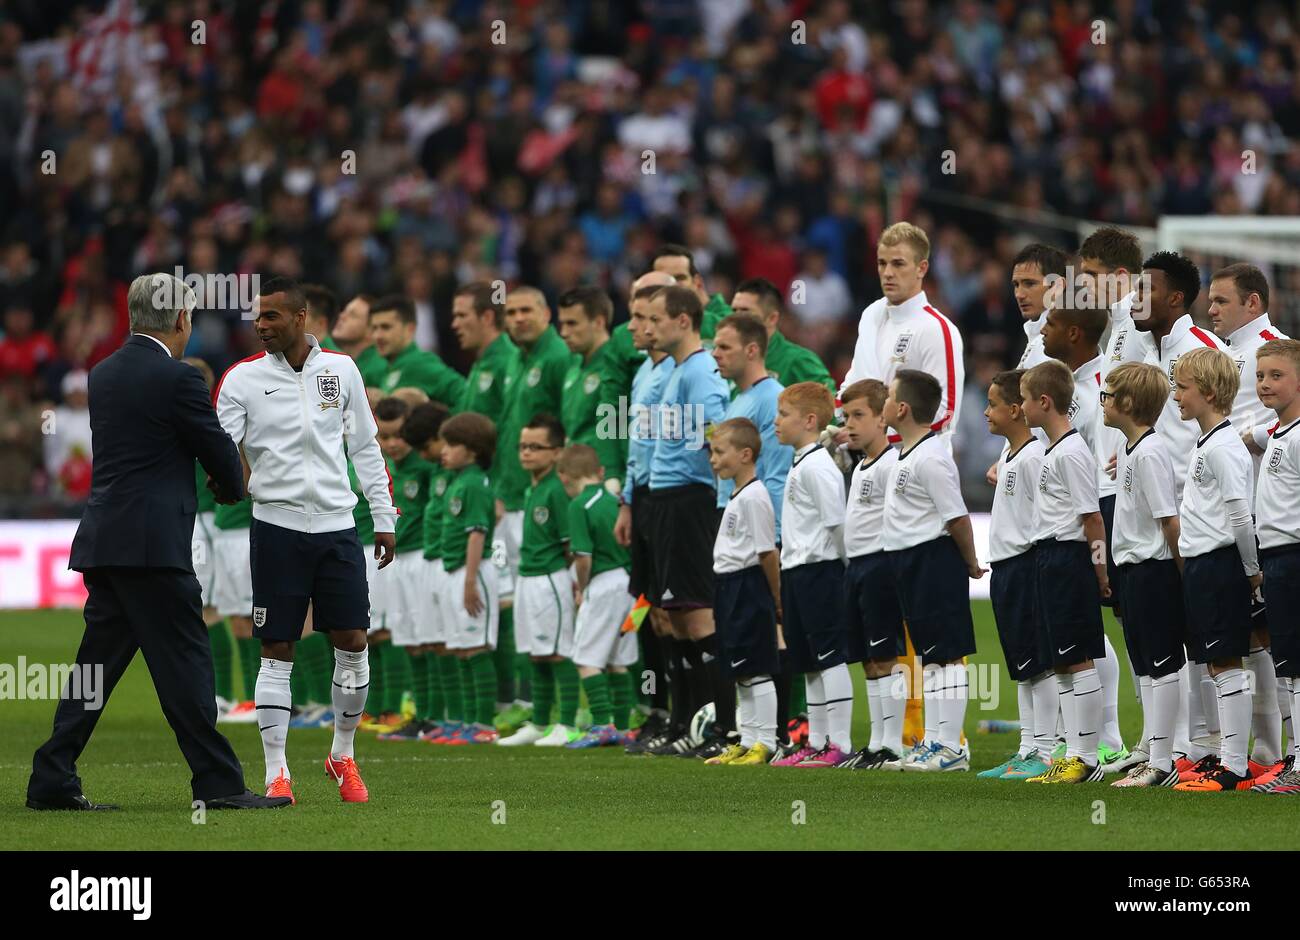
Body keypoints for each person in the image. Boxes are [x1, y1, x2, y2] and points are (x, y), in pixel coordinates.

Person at [27, 272, 288, 812]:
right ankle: (218, 783)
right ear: (181, 319)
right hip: (153, 547)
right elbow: (215, 448)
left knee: (95, 669)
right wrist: (230, 486)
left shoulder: (102, 373)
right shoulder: (179, 379)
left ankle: (52, 776)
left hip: (107, 541)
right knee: (186, 662)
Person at [215, 275, 397, 804]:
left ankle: (343, 755)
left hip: (339, 526)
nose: (260, 325)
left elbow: (365, 446)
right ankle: (277, 772)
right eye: (257, 316)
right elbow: (220, 446)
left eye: (271, 316)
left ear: (301, 318)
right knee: (277, 647)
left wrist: (382, 515)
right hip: (277, 527)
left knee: (353, 640)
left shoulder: (342, 369)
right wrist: (223, 479)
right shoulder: (242, 379)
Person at [1131, 251, 1227, 772]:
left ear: (1175, 298)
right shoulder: (1144, 348)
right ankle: (1174, 743)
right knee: (1163, 635)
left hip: (1195, 517)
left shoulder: (1205, 350)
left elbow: (1225, 430)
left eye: (1146, 290)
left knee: (1205, 637)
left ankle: (1217, 746)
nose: (1135, 300)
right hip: (1149, 512)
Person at [1038, 294, 1129, 771]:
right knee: (1079, 631)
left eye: (1051, 322)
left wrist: (1096, 545)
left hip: (1095, 515)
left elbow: (1095, 473)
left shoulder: (1097, 391)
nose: (1042, 329)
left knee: (1100, 626)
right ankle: (1080, 738)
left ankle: (1107, 738)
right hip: (1063, 524)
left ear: (1073, 332)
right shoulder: (1060, 383)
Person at [642, 285, 732, 758]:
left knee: (698, 615)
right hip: (666, 499)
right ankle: (686, 722)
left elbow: (718, 435)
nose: (648, 328)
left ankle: (721, 726)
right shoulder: (677, 369)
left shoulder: (700, 371)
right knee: (673, 617)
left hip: (689, 501)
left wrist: (717, 497)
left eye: (655, 319)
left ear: (683, 321)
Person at [1207, 263, 1289, 771]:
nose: (1211, 309)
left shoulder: (1275, 349)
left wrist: (1249, 437)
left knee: (1275, 635)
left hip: (1266, 512)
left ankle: (1280, 750)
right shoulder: (1224, 353)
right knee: (1251, 633)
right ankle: (1264, 747)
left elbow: (1288, 420)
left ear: (1252, 303)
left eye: (1221, 300)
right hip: (1231, 511)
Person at [880, 371, 983, 772]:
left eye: (889, 396)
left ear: (902, 408)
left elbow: (956, 517)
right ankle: (935, 743)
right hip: (909, 561)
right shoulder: (906, 453)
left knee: (947, 653)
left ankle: (952, 748)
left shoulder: (931, 456)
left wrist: (970, 561)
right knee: (930, 655)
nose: (884, 402)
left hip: (934, 559)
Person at [1169, 348, 1261, 793]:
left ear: (1207, 392)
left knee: (1226, 662)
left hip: (1220, 563)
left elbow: (1240, 515)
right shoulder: (1207, 442)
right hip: (1203, 564)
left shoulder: (1223, 447)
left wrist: (1251, 570)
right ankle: (1227, 758)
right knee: (1214, 664)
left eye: (1182, 387)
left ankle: (1235, 766)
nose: (1176, 395)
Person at [1020, 361, 1111, 784]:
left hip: (1068, 558)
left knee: (1078, 659)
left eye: (1024, 399)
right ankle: (1072, 753)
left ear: (1044, 401)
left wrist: (1099, 568)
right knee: (1061, 662)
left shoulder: (1072, 452)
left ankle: (1086, 758)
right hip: (1048, 557)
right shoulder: (1053, 450)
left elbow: (1092, 517)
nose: (1021, 408)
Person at [1102, 362, 1185, 789]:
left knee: (1163, 663)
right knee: (1146, 667)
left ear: (1129, 403)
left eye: (1108, 395)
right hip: (1132, 569)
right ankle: (1154, 752)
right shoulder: (1131, 449)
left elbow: (1168, 520)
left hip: (1153, 569)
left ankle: (1164, 761)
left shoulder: (1150, 453)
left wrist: (1182, 572)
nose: (1102, 402)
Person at [770, 382, 853, 767]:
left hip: (820, 569)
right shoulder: (803, 461)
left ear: (809, 420)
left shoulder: (819, 466)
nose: (776, 421)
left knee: (830, 656)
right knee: (808, 660)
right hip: (797, 570)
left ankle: (840, 742)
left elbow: (836, 524)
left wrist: (845, 568)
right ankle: (816, 741)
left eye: (783, 414)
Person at [615, 275, 681, 753]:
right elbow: (637, 445)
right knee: (648, 607)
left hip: (667, 498)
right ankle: (659, 709)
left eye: (643, 317)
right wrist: (627, 500)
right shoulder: (644, 371)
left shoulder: (680, 371)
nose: (634, 326)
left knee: (674, 609)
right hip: (641, 496)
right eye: (635, 316)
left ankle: (686, 711)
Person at [979, 370, 1054, 782]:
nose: (985, 412)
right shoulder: (1009, 455)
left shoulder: (1033, 457)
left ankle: (1045, 750)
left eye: (992, 404)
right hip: (1004, 566)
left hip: (1025, 565)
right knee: (1022, 666)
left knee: (1039, 664)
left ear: (1013, 410)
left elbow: (1042, 517)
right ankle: (1027, 747)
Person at [838, 222, 965, 448]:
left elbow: (945, 414)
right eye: (882, 263)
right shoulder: (871, 315)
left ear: (921, 268)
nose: (888, 273)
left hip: (918, 464)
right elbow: (854, 384)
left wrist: (876, 438)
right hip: (869, 458)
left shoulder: (936, 329)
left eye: (898, 264)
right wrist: (837, 424)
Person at [836, 379, 906, 771]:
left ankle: (892, 744)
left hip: (880, 564)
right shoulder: (862, 464)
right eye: (846, 416)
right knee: (867, 658)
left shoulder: (891, 465)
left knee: (885, 655)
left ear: (882, 419)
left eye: (859, 415)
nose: (850, 424)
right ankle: (877, 741)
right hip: (857, 565)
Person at [500, 414, 581, 747]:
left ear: (557, 452)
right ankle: (541, 722)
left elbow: (570, 545)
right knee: (536, 653)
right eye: (523, 446)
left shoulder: (557, 491)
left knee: (558, 652)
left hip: (550, 579)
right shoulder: (531, 488)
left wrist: (570, 582)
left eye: (536, 447)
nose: (526, 453)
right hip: (527, 578)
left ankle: (569, 723)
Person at [705, 418, 782, 766]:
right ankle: (747, 739)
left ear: (745, 454)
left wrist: (776, 598)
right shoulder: (738, 495)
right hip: (728, 585)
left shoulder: (754, 496)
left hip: (747, 585)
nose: (713, 459)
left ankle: (766, 741)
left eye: (720, 452)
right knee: (740, 666)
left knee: (755, 666)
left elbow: (767, 552)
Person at [557, 444, 640, 748]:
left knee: (586, 658)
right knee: (619, 659)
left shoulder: (579, 505)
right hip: (628, 585)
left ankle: (602, 725)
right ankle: (624, 726)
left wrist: (582, 588)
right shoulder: (617, 501)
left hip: (602, 583)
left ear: (564, 477)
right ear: (601, 471)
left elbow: (583, 556)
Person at [372, 397, 440, 742]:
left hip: (424, 558)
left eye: (398, 435)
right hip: (398, 561)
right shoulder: (383, 468)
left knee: (429, 638)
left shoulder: (426, 468)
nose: (393, 444)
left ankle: (438, 715)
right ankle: (420, 716)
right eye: (384, 437)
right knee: (409, 639)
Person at [432, 411, 501, 743]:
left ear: (472, 450)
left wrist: (470, 582)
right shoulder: (459, 480)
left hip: (472, 572)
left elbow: (477, 534)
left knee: (476, 648)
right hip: (454, 571)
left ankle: (484, 724)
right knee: (460, 648)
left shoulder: (474, 484)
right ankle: (467, 721)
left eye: (452, 444)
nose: (444, 451)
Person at [1252, 339, 1300, 794]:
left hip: (1293, 557)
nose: (1265, 384)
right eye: (1260, 376)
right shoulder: (1277, 433)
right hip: (1276, 559)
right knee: (1289, 665)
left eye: (1276, 375)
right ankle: (1296, 760)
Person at [557, 285, 626, 486]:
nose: (564, 332)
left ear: (598, 322)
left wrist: (613, 476)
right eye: (562, 324)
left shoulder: (616, 366)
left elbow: (618, 425)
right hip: (574, 476)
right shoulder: (573, 366)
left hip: (601, 477)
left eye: (572, 324)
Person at [729, 277, 835, 391]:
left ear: (772, 318)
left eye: (745, 311)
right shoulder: (726, 357)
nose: (736, 317)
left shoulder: (797, 360)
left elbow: (828, 398)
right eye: (734, 310)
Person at [367, 294, 466, 406]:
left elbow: (465, 396)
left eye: (386, 327)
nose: (377, 336)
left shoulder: (421, 364)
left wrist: (437, 415)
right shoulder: (389, 367)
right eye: (374, 328)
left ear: (410, 329)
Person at [1012, 244, 1068, 370]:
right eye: (1016, 285)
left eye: (1029, 284)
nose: (1019, 294)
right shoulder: (1034, 335)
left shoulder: (1062, 343)